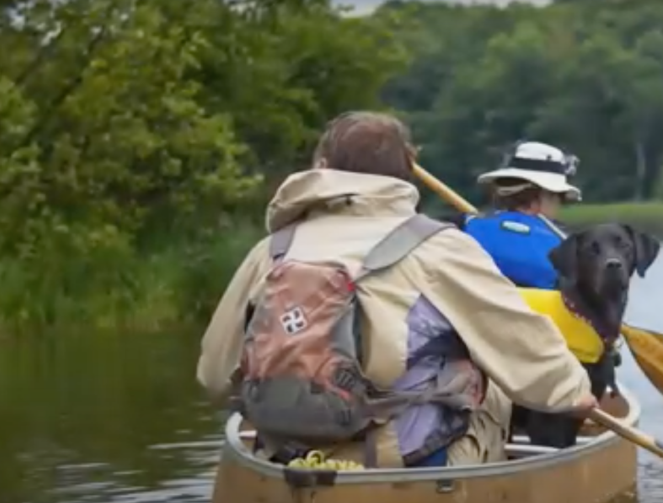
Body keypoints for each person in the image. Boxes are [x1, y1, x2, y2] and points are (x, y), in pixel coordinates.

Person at [196, 112, 597, 469]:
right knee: (491, 385)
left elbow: (213, 375)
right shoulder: (438, 247)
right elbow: (519, 340)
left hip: (285, 456)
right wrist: (573, 391)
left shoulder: (272, 249)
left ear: (323, 169)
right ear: (405, 176)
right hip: (395, 460)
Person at [464, 141, 582, 290]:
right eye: (558, 199)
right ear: (536, 202)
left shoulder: (465, 229)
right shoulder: (567, 251)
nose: (558, 208)